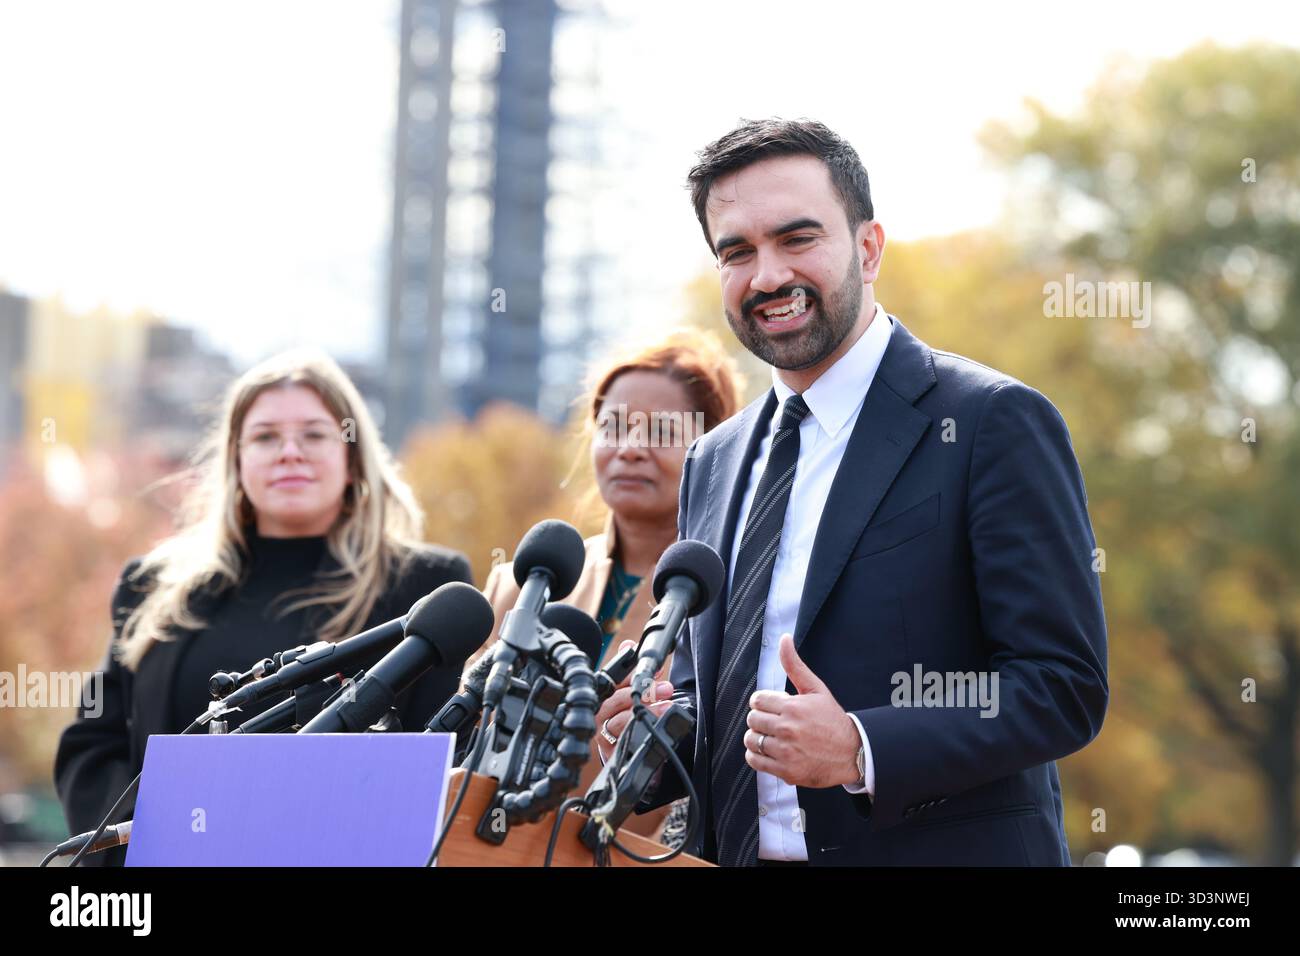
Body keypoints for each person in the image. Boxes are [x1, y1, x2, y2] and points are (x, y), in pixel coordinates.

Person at [596, 118, 1109, 866]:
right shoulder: (712, 459)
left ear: (868, 249)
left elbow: (1061, 685)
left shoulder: (992, 422)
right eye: (736, 252)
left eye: (797, 239)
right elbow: (718, 698)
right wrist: (651, 735)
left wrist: (863, 746)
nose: (767, 277)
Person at [54, 349, 474, 864]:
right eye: (266, 436)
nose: (289, 452)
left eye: (315, 435)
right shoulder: (154, 586)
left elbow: (440, 759)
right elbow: (92, 747)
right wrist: (149, 847)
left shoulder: (426, 584)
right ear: (236, 459)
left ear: (352, 456)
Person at [465, 330, 742, 843]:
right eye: (613, 427)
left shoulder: (737, 598)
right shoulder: (522, 585)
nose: (631, 449)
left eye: (660, 431)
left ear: (715, 447)